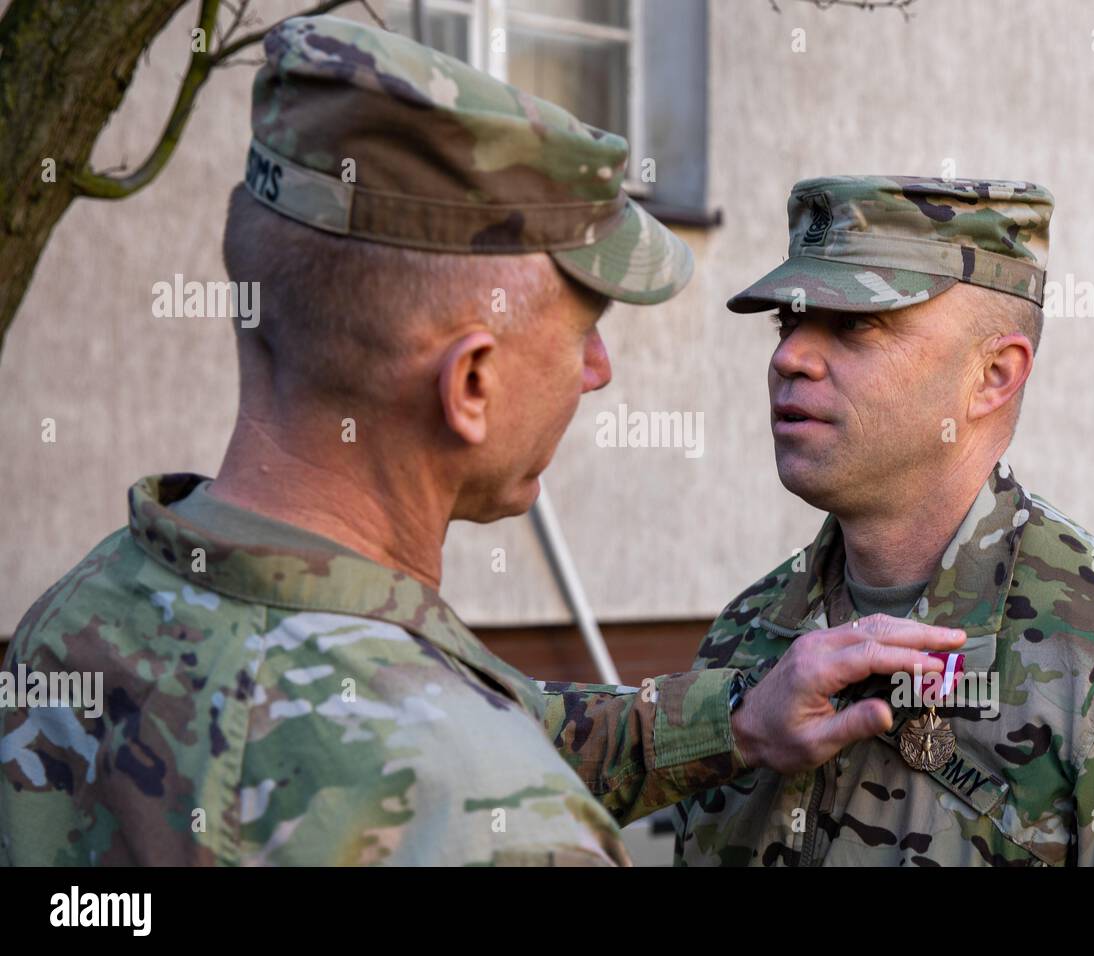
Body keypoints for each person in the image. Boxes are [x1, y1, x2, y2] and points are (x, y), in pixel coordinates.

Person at [0, 22, 963, 866]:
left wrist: (738, 723)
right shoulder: (500, 824)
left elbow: (445, 712)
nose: (599, 370)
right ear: (469, 384)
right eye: (585, 326)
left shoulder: (78, 627)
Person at [673, 175, 1094, 867]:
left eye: (855, 324)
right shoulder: (747, 639)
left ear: (994, 374)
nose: (789, 356)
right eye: (789, 321)